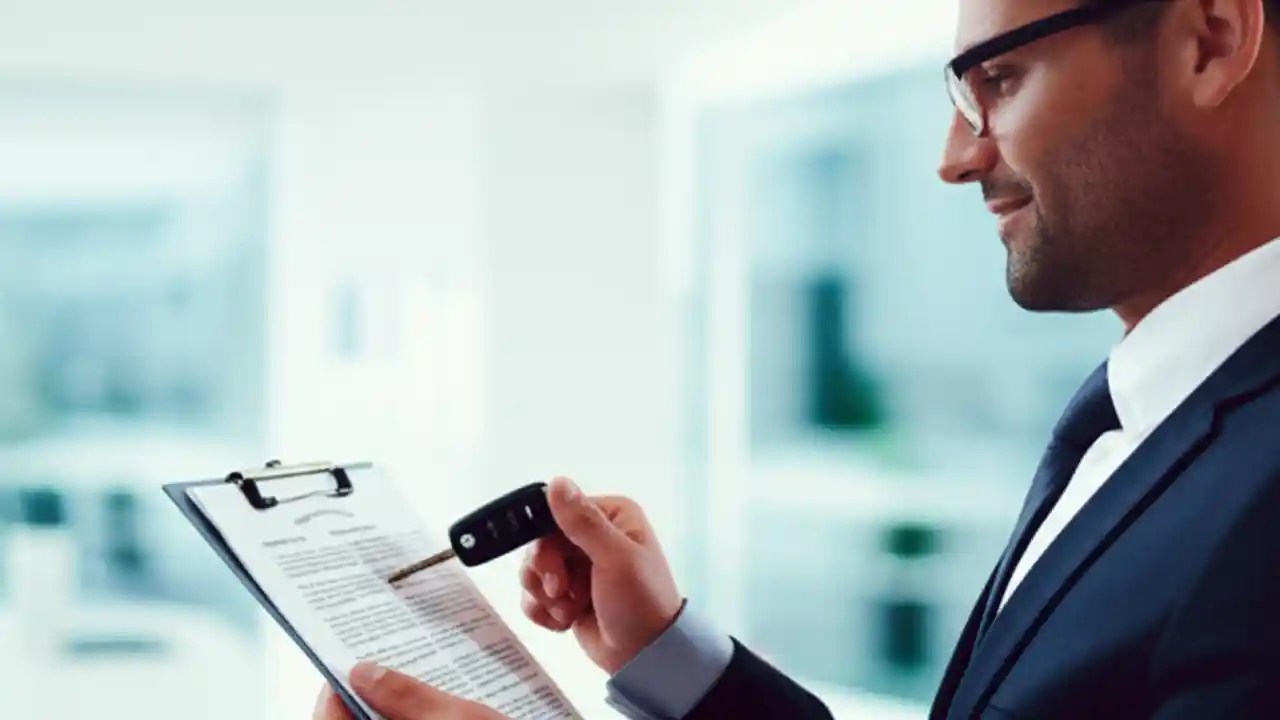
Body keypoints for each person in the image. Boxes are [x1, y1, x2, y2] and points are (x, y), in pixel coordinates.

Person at [316, 0, 1280, 716]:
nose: (954, 156)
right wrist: (668, 652)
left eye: (999, 81)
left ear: (1211, 39)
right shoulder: (1144, 412)